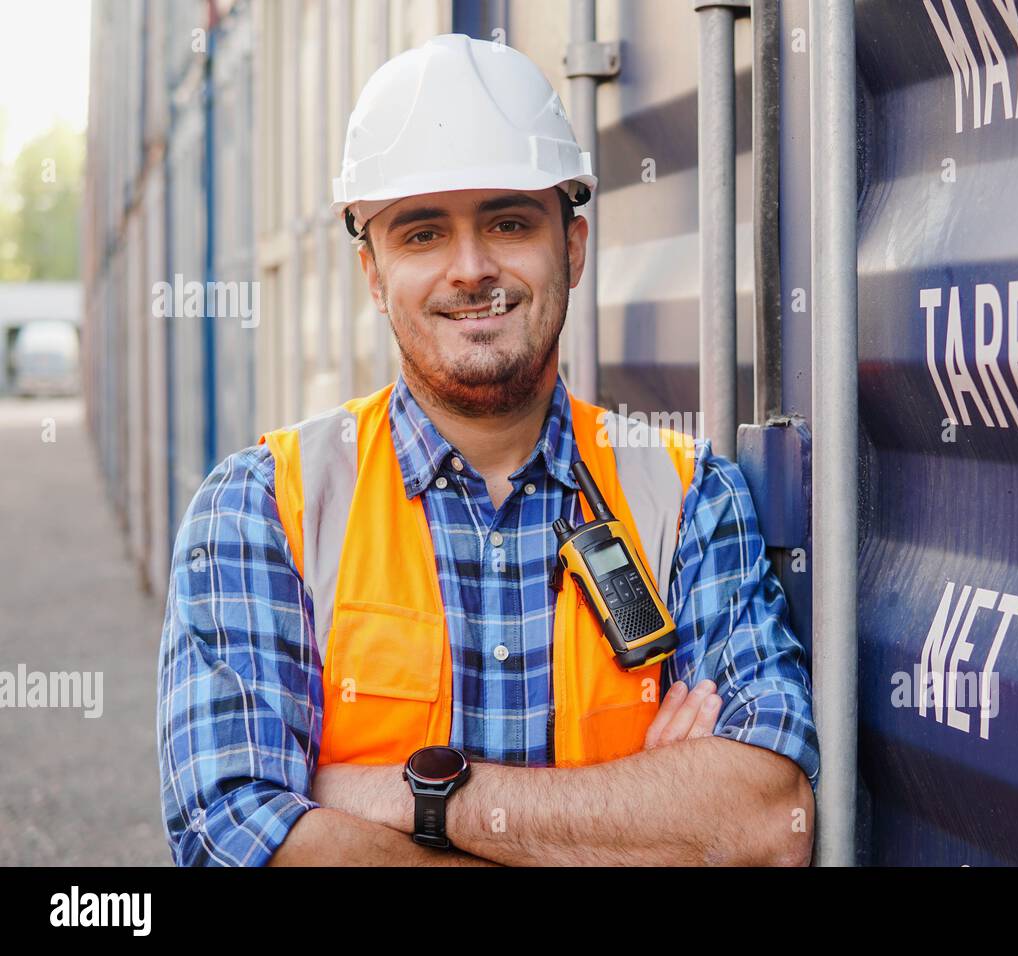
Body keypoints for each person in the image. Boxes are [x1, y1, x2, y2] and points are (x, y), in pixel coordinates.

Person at [156, 33, 817, 867]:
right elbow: (233, 837)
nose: (471, 269)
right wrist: (643, 824)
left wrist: (396, 793)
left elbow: (767, 819)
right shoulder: (264, 506)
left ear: (571, 249)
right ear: (372, 271)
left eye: (508, 221)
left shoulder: (689, 497)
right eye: (423, 233)